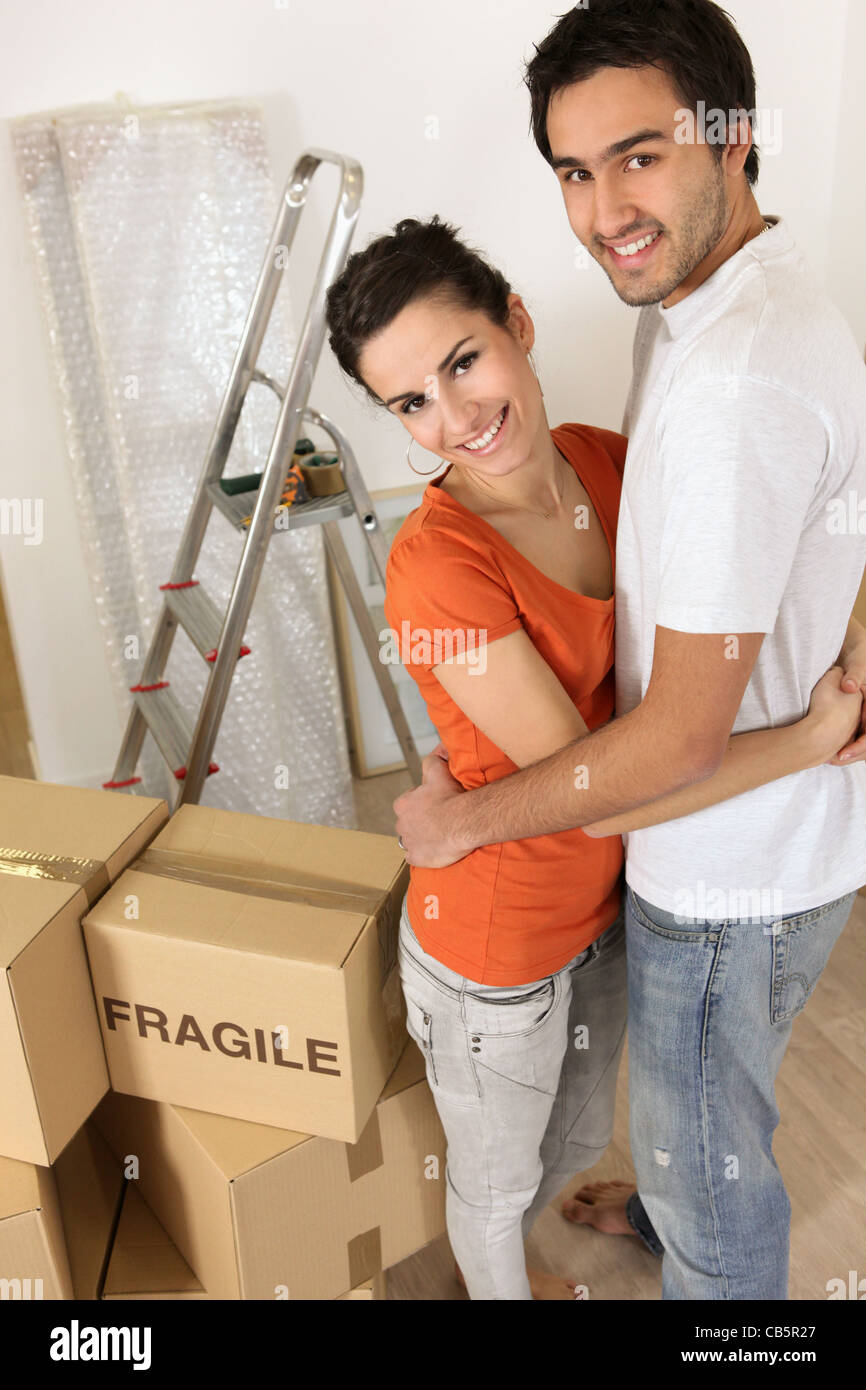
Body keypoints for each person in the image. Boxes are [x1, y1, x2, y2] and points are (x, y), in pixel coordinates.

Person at [392, 0, 866, 1301]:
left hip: (725, 876)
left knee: (717, 1209)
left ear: (732, 139)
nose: (605, 208)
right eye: (571, 170)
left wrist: (466, 821)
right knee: (705, 1124)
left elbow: (675, 742)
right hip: (785, 841)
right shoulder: (730, 304)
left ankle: (695, 1223)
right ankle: (676, 1191)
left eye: (638, 153)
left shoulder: (728, 386)